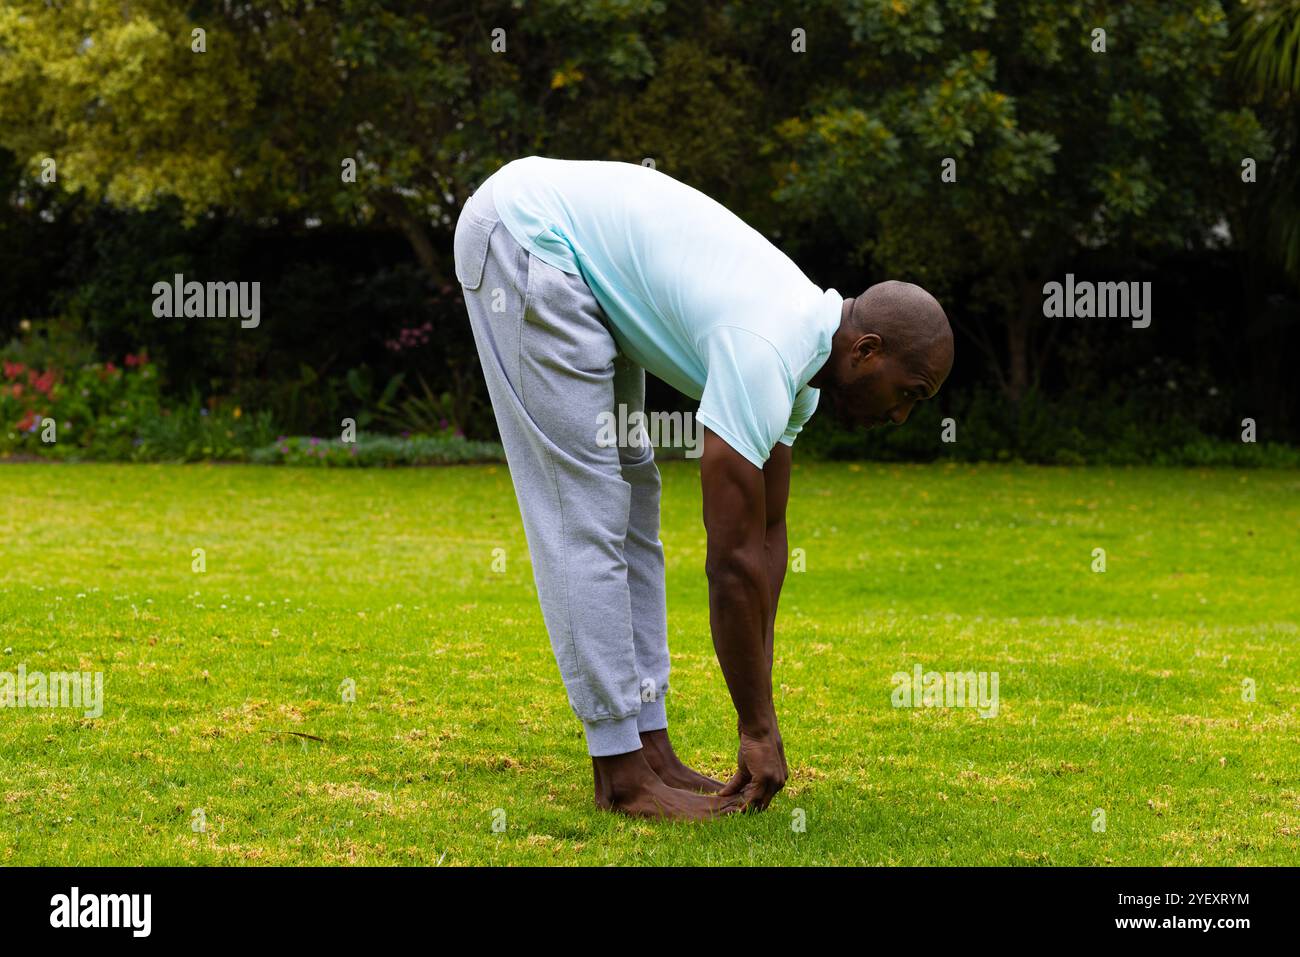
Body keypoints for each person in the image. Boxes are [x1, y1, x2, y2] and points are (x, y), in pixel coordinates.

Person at [454, 156, 953, 820]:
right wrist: (757, 727)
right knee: (588, 507)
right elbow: (730, 561)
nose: (900, 415)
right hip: (527, 237)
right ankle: (621, 776)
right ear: (865, 350)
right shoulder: (766, 348)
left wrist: (761, 711)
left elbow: (768, 541)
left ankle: (651, 747)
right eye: (907, 393)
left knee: (633, 500)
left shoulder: (802, 361)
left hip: (568, 254)